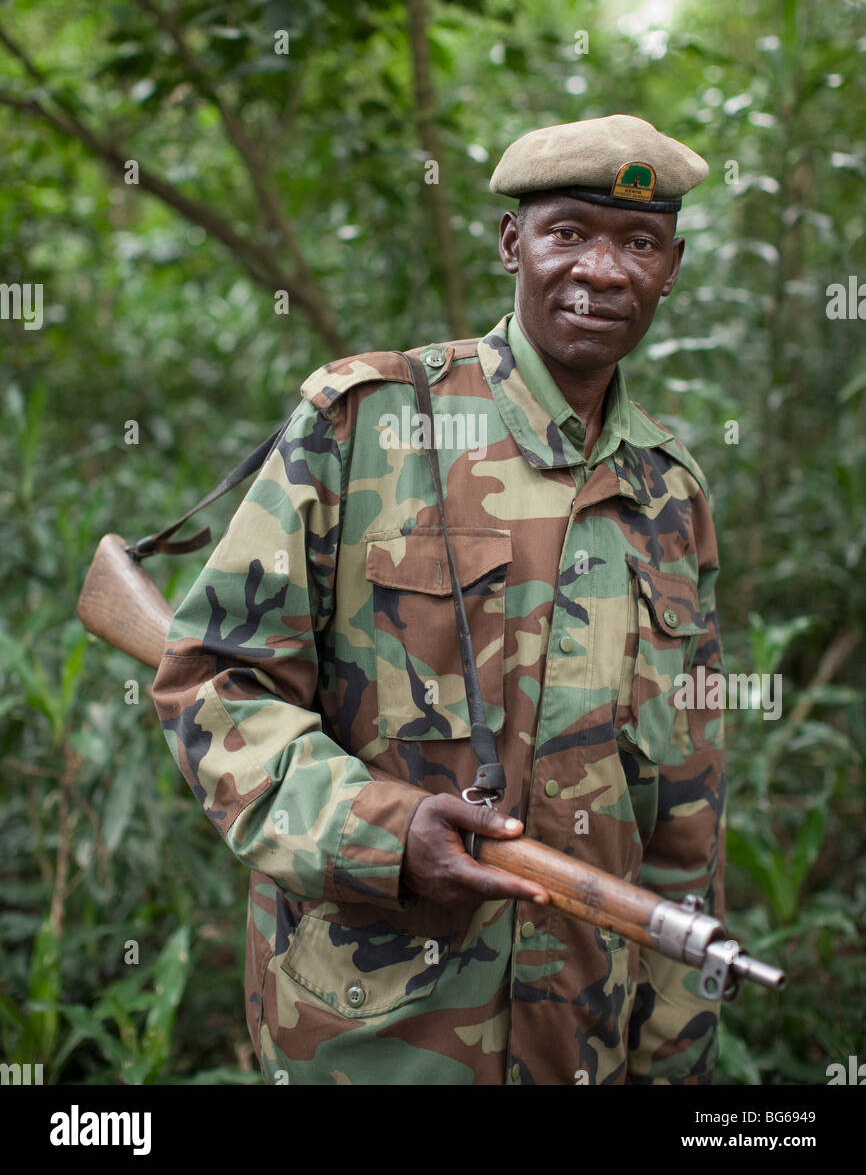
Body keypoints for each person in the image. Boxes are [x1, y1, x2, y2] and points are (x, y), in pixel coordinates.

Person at [151, 113, 725, 1086]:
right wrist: (382, 832)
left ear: (669, 266)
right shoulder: (369, 420)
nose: (601, 270)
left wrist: (674, 1043)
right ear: (511, 244)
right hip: (373, 1035)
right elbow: (213, 683)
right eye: (568, 233)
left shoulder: (669, 491)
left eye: (636, 243)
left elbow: (684, 801)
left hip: (588, 1033)